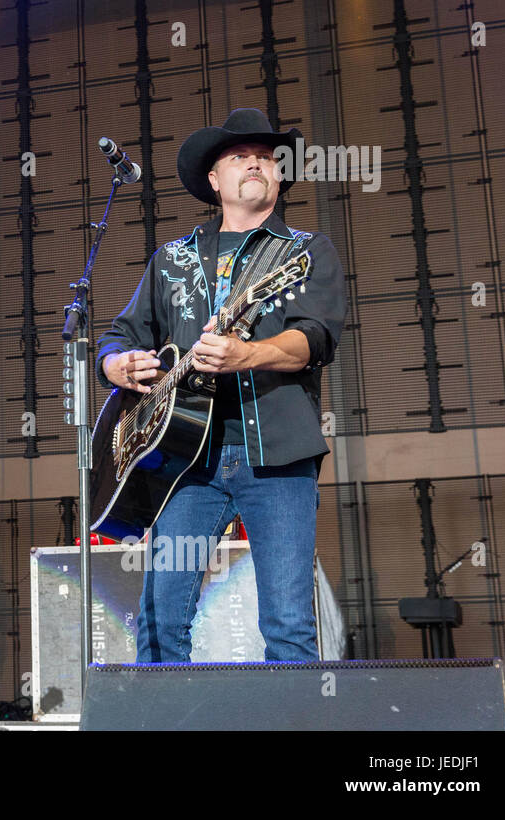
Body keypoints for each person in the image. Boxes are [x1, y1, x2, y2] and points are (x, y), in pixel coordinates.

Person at [96, 109, 347, 663]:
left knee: (287, 625)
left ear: (279, 177)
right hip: (181, 463)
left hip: (277, 458)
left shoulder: (306, 252)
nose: (256, 162)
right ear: (214, 181)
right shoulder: (172, 259)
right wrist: (116, 366)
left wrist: (247, 355)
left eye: (266, 157)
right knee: (161, 623)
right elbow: (117, 336)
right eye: (240, 156)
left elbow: (316, 337)